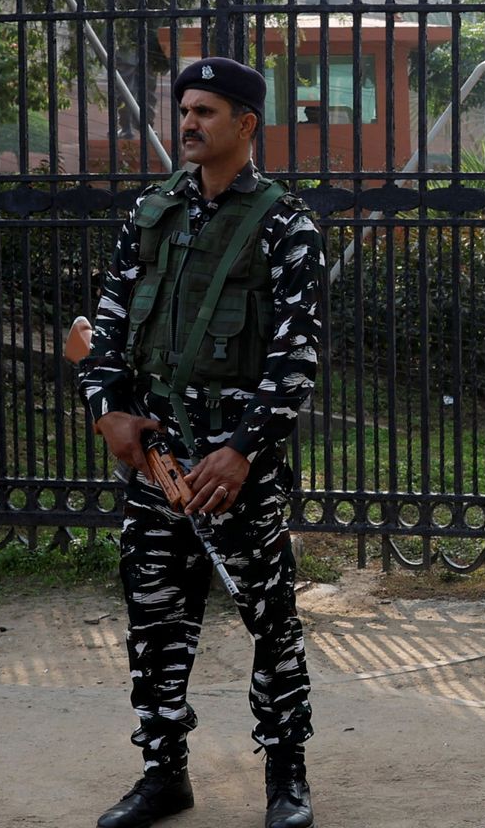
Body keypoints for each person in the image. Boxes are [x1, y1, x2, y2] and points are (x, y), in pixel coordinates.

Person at [81, 56, 325, 828]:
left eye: (206, 112)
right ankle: (163, 773)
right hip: (157, 465)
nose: (188, 123)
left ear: (247, 125)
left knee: (270, 618)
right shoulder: (151, 214)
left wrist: (245, 449)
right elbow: (105, 328)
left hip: (234, 469)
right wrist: (108, 411)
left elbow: (297, 356)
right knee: (155, 617)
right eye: (184, 110)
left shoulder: (288, 227)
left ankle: (286, 775)